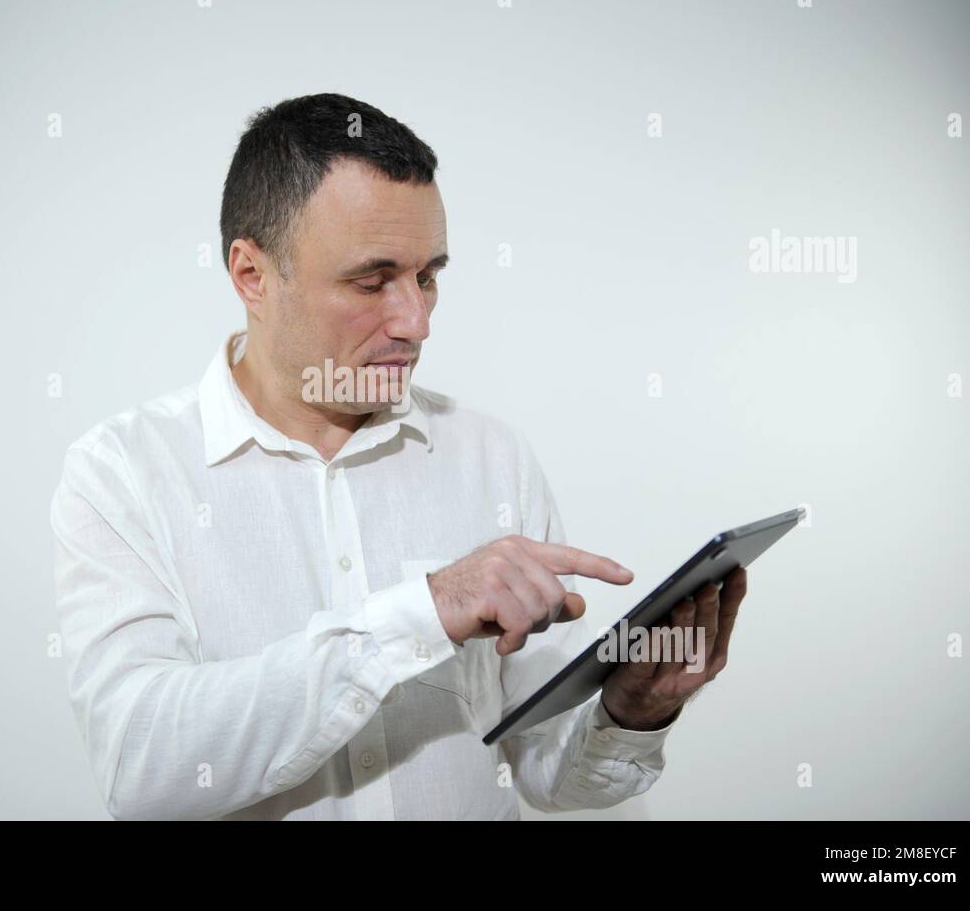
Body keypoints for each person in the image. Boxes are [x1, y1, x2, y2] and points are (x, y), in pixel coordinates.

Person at [50, 92, 748, 820]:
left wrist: (629, 712)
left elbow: (549, 772)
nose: (415, 321)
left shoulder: (492, 457)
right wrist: (425, 610)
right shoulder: (121, 474)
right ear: (251, 275)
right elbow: (143, 769)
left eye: (428, 276)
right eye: (371, 280)